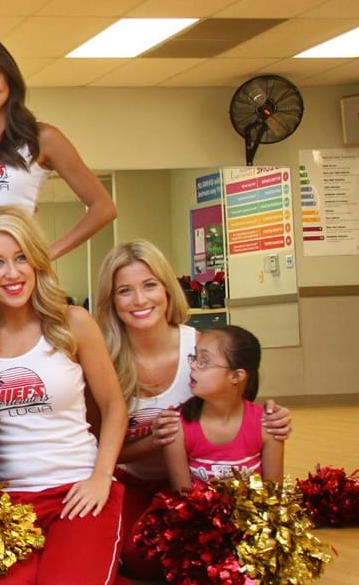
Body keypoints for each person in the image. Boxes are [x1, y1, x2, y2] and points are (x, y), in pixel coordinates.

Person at [93, 239, 292, 580]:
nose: (140, 300)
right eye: (125, 291)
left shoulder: (202, 348)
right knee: (144, 558)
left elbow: (239, 404)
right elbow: (98, 451)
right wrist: (153, 442)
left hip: (201, 483)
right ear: (111, 301)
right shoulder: (102, 359)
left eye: (149, 285)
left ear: (167, 289)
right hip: (132, 482)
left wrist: (273, 418)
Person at [0, 205, 126, 585]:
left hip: (79, 491)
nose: (13, 272)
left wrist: (102, 476)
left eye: (21, 258)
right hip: (9, 502)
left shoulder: (73, 324)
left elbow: (114, 406)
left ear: (36, 262)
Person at [0, 36, 115, 329]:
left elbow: (103, 207)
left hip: (15, 283)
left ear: (10, 78)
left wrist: (46, 252)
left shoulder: (42, 138)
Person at [163, 325, 284, 490]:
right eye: (194, 357)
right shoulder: (176, 425)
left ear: (236, 376)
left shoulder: (268, 424)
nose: (192, 366)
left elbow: (274, 495)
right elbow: (181, 499)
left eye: (204, 361)